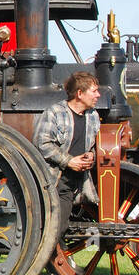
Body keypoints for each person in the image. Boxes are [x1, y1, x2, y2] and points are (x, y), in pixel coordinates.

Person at [33, 70, 102, 240]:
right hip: (57, 179)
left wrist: (91, 156)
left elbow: (94, 146)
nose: (98, 95)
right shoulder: (55, 112)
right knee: (58, 226)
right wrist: (69, 161)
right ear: (79, 93)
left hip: (80, 180)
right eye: (94, 91)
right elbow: (42, 143)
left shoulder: (93, 116)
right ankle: (48, 260)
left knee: (61, 228)